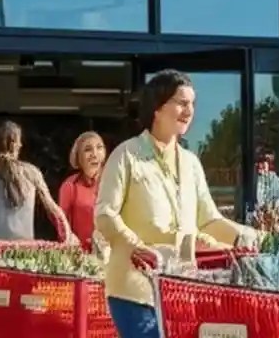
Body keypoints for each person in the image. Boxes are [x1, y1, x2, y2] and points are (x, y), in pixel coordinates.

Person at [95, 70, 255, 338]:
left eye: (192, 103)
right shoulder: (127, 155)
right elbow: (104, 215)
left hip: (181, 290)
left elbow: (209, 219)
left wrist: (246, 238)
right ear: (157, 108)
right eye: (181, 102)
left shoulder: (191, 163)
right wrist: (136, 246)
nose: (189, 110)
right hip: (135, 290)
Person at [0, 120, 73, 242]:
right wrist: (68, 237)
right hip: (22, 252)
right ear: (14, 143)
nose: (21, 144)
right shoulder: (32, 172)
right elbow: (53, 210)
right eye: (19, 141)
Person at [59, 131, 106, 251]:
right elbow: (62, 225)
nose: (94, 154)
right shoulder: (70, 186)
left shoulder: (114, 181)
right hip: (81, 255)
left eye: (99, 148)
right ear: (78, 157)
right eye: (88, 149)